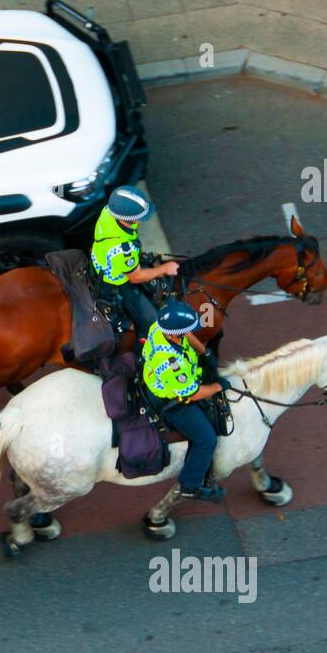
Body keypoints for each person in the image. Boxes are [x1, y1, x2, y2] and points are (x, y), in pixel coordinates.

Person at [140, 300, 231, 503]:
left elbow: (187, 335)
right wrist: (218, 387)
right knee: (207, 439)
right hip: (172, 400)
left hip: (183, 374)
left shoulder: (160, 326)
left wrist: (204, 353)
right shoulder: (169, 361)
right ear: (174, 333)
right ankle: (190, 485)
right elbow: (192, 394)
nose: (190, 332)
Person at [90, 185, 179, 342]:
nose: (142, 218)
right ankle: (143, 347)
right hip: (116, 284)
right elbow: (136, 277)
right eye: (140, 215)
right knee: (153, 322)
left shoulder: (109, 211)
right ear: (127, 218)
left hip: (100, 257)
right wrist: (165, 268)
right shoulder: (123, 249)